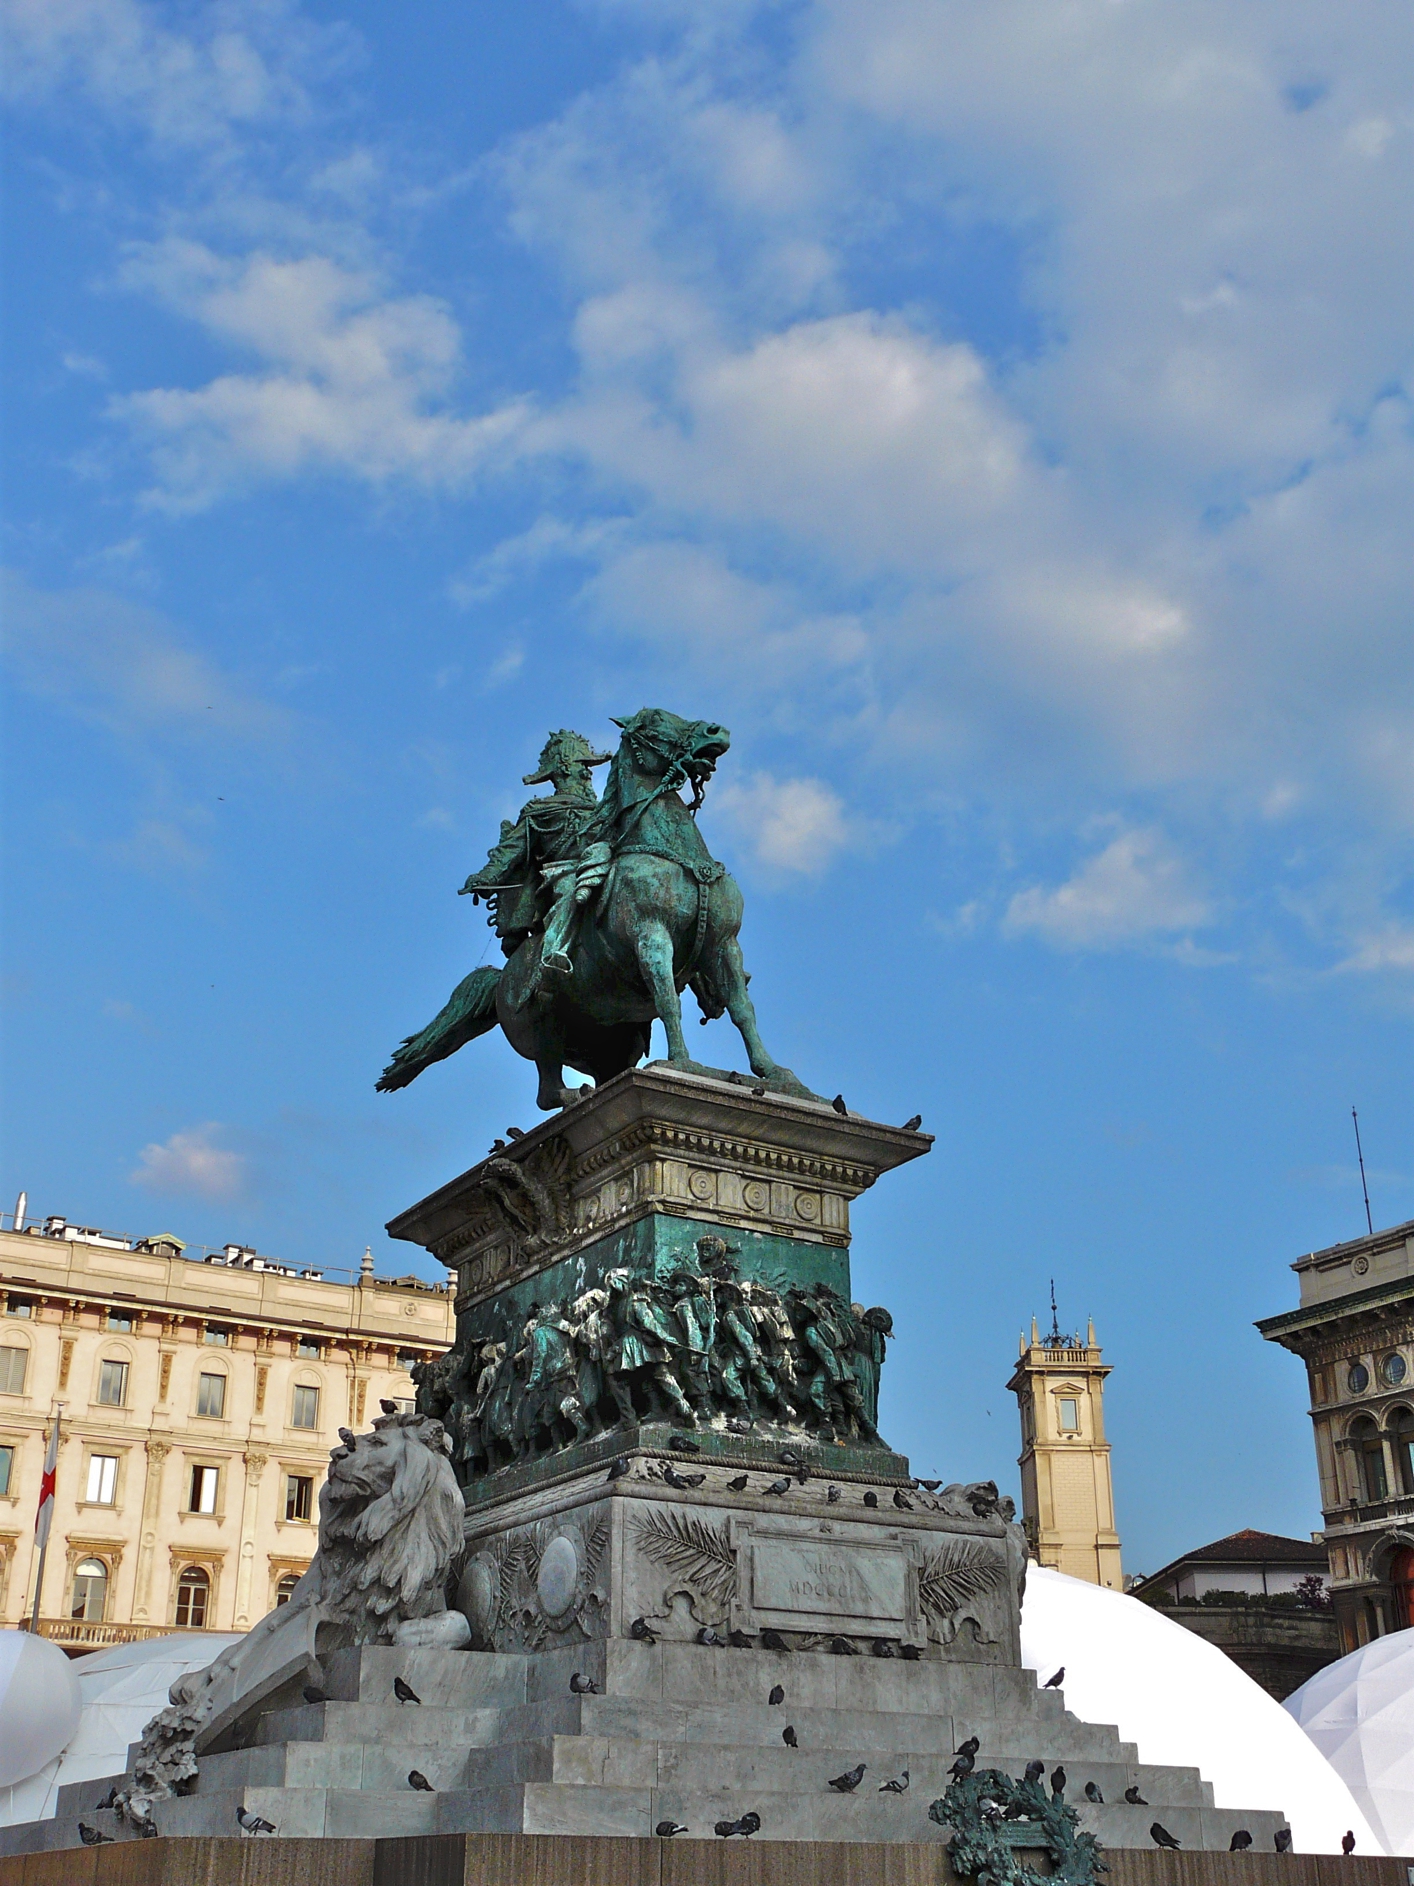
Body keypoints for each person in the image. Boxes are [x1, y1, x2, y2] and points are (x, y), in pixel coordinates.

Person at [460, 730, 609, 968]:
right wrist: (487, 877)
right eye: (583, 765)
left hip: (604, 866)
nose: (588, 772)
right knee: (569, 891)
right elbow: (511, 849)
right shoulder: (540, 811)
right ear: (565, 768)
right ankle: (555, 955)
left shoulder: (603, 809)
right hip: (564, 873)